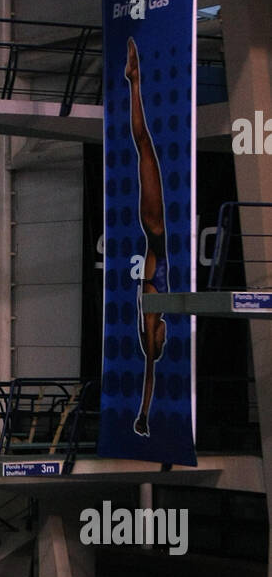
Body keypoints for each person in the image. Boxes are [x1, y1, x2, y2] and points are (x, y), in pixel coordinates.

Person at [125, 37, 168, 438]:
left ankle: (133, 82)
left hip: (155, 234)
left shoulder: (149, 336)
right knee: (144, 148)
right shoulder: (156, 321)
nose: (163, 333)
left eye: (159, 335)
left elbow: (150, 377)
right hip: (157, 237)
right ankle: (134, 81)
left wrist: (142, 415)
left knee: (145, 148)